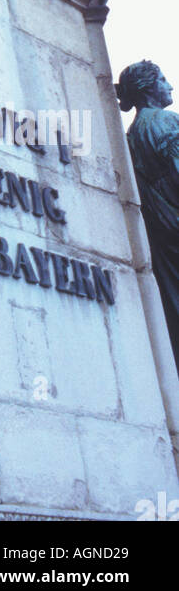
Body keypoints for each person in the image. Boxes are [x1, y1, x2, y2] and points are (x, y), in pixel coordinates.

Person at [116, 60, 179, 369]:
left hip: (163, 235)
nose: (170, 85)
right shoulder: (167, 122)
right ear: (147, 89)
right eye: (163, 79)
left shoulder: (130, 136)